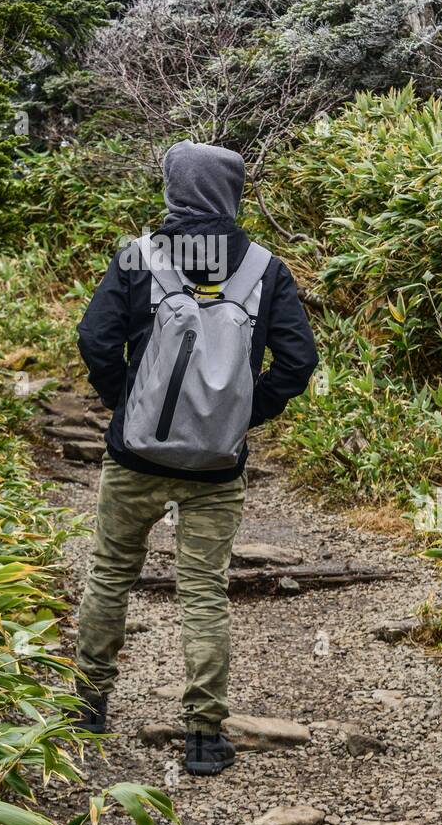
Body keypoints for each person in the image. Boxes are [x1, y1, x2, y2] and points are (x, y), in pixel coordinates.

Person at [74, 140, 318, 775]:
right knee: (204, 590)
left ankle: (89, 706)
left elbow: (95, 339)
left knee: (109, 576)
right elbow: (298, 363)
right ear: (231, 191)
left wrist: (124, 403)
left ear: (172, 187)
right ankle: (204, 737)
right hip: (216, 464)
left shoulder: (138, 256)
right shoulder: (264, 267)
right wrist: (244, 415)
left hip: (135, 458)